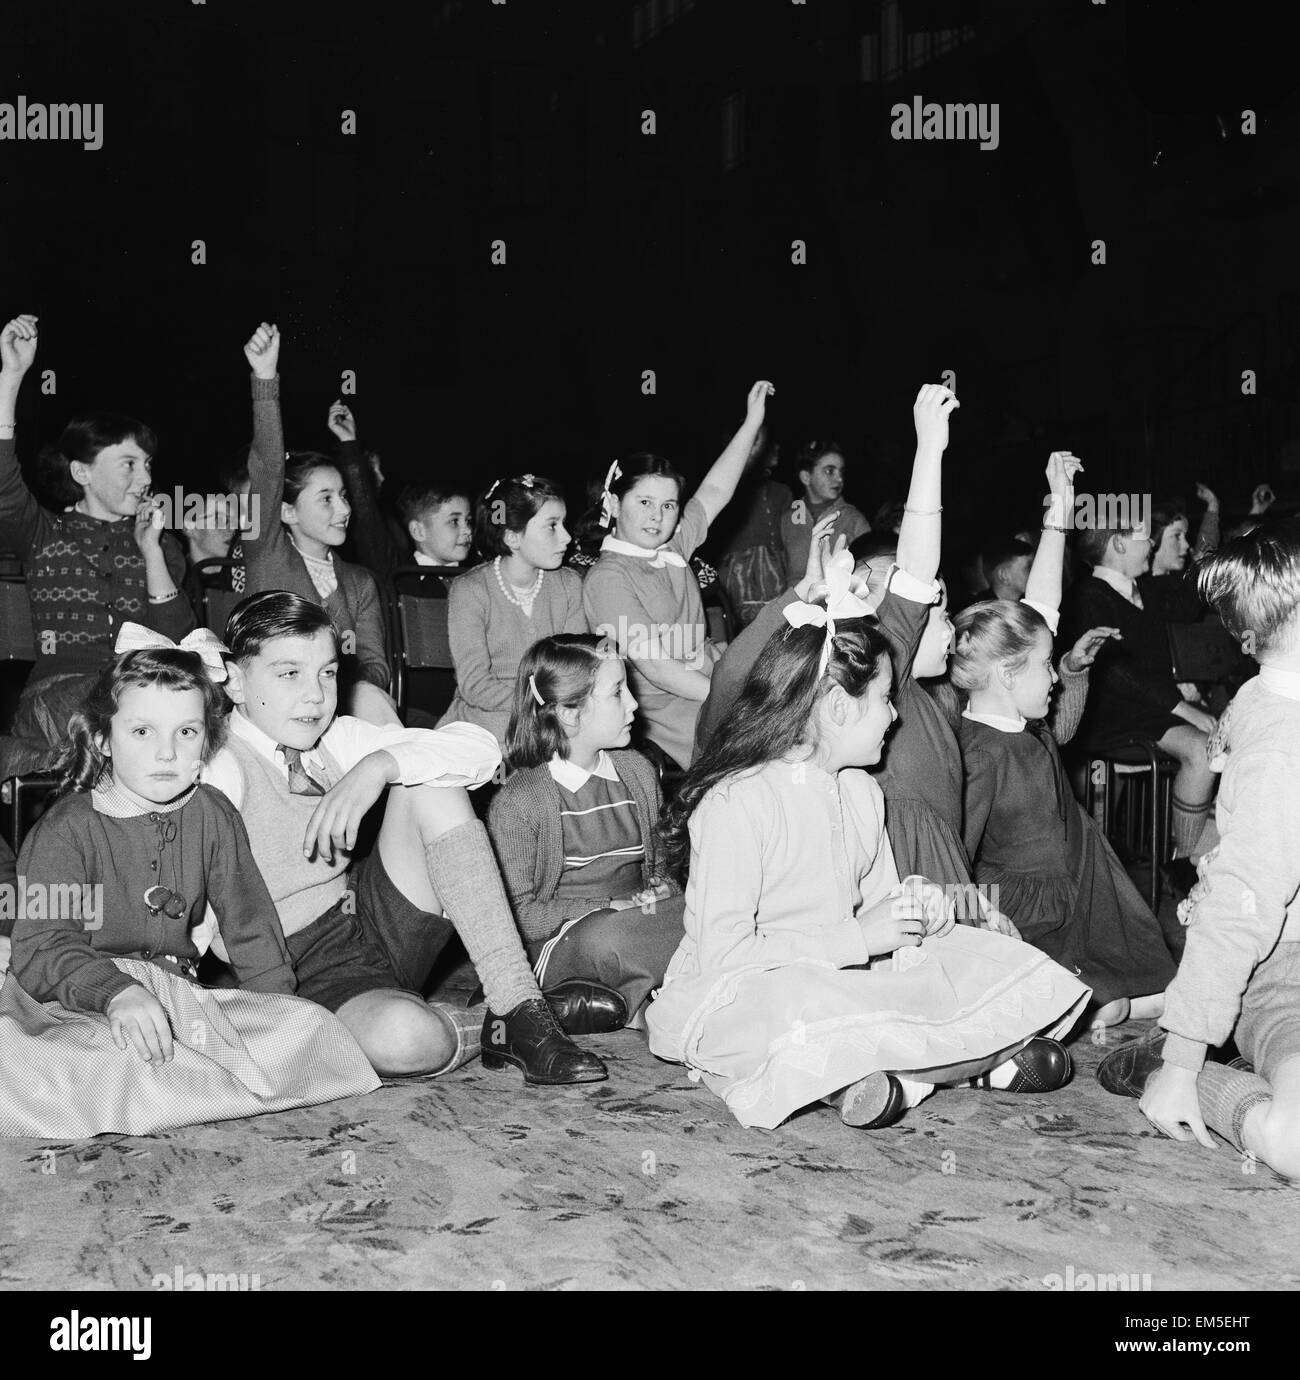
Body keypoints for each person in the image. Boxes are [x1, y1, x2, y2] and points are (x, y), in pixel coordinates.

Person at [647, 588, 1089, 1131]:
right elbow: (725, 955)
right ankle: (966, 1066)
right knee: (795, 1003)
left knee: (972, 953)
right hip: (751, 985)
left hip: (848, 971)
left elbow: (882, 904)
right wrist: (858, 940)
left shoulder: (861, 791)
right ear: (837, 708)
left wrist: (919, 907)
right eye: (884, 697)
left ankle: (879, 1076)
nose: (895, 714)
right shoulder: (737, 802)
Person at [201, 591, 606, 1086]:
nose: (315, 695)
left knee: (429, 781)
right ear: (236, 681)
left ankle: (519, 999)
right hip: (296, 969)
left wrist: (380, 765)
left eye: (327, 673)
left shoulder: (335, 738)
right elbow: (190, 903)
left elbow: (479, 749)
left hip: (371, 921)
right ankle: (508, 1022)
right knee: (411, 1039)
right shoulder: (216, 765)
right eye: (289, 674)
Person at [0, 629, 379, 1137]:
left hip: (177, 994)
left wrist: (280, 1006)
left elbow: (251, 927)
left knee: (308, 1029)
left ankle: (185, 1087)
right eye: (142, 733)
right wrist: (117, 993)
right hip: (74, 1001)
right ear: (101, 739)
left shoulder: (213, 814)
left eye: (186, 733)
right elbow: (42, 948)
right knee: (94, 1059)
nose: (166, 753)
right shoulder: (69, 829)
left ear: (208, 738)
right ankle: (180, 1086)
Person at [1097, 518, 1300, 1180]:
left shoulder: (1256, 694)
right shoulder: (1280, 749)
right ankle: (1190, 1064)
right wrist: (1185, 1063)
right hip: (1283, 970)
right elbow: (1242, 904)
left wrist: (1205, 859)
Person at [957, 453, 1177, 1027]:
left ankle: (1116, 1001)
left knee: (1141, 966)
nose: (1052, 675)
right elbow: (958, 854)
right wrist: (981, 919)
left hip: (1079, 876)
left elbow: (1044, 610)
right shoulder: (979, 751)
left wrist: (1058, 509)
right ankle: (1083, 1005)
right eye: (1045, 668)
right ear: (1005, 675)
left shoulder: (1026, 721)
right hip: (1027, 906)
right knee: (1053, 992)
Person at [0, 314, 196, 778]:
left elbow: (176, 642)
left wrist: (150, 552)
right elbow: (4, 483)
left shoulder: (160, 547)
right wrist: (11, 378)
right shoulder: (44, 534)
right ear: (82, 472)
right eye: (128, 464)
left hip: (142, 702)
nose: (146, 478)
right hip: (62, 702)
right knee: (110, 708)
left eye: (147, 464)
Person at [487, 635, 686, 1033]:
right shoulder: (520, 801)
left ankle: (628, 1002)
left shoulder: (637, 772)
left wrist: (663, 890)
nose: (634, 703)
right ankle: (659, 995)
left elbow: (660, 870)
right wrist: (609, 905)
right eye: (617, 692)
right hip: (569, 940)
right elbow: (519, 917)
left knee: (716, 907)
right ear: (569, 713)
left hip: (637, 921)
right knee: (606, 940)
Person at [583, 380, 773, 769]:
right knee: (762, 745)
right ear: (615, 504)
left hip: (707, 675)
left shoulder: (671, 548)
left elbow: (717, 489)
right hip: (662, 703)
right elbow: (656, 669)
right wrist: (730, 696)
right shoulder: (608, 577)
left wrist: (752, 423)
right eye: (645, 502)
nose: (658, 515)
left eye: (669, 505)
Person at [239, 323, 394, 722]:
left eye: (343, 497)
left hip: (338, 714)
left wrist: (333, 685)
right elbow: (269, 468)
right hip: (269, 710)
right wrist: (265, 379)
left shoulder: (360, 583)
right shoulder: (266, 551)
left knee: (373, 698)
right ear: (288, 511)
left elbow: (376, 666)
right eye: (325, 499)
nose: (343, 510)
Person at [1061, 509, 1217, 876]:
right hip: (1109, 713)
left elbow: (1191, 604)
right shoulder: (1087, 596)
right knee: (1200, 748)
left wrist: (1205, 548)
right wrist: (1182, 707)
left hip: (1149, 707)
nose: (1150, 544)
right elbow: (1115, 672)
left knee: (1220, 733)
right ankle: (1184, 862)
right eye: (1144, 537)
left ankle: (1190, 850)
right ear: (1118, 543)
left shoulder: (1145, 589)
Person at [438, 474, 586, 743]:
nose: (567, 537)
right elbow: (474, 685)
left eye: (564, 523)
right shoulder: (470, 590)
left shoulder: (569, 585)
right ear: (512, 537)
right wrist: (540, 704)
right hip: (486, 720)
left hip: (555, 717)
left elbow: (576, 668)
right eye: (552, 526)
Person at [711, 423, 791, 625]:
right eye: (769, 443)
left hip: (776, 575)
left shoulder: (783, 492)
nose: (777, 447)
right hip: (739, 575)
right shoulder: (729, 490)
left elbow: (793, 536)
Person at [778, 439, 871, 579]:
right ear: (806, 477)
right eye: (829, 471)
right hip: (794, 598)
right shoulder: (788, 519)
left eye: (841, 471)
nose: (839, 479)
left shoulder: (854, 519)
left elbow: (871, 571)